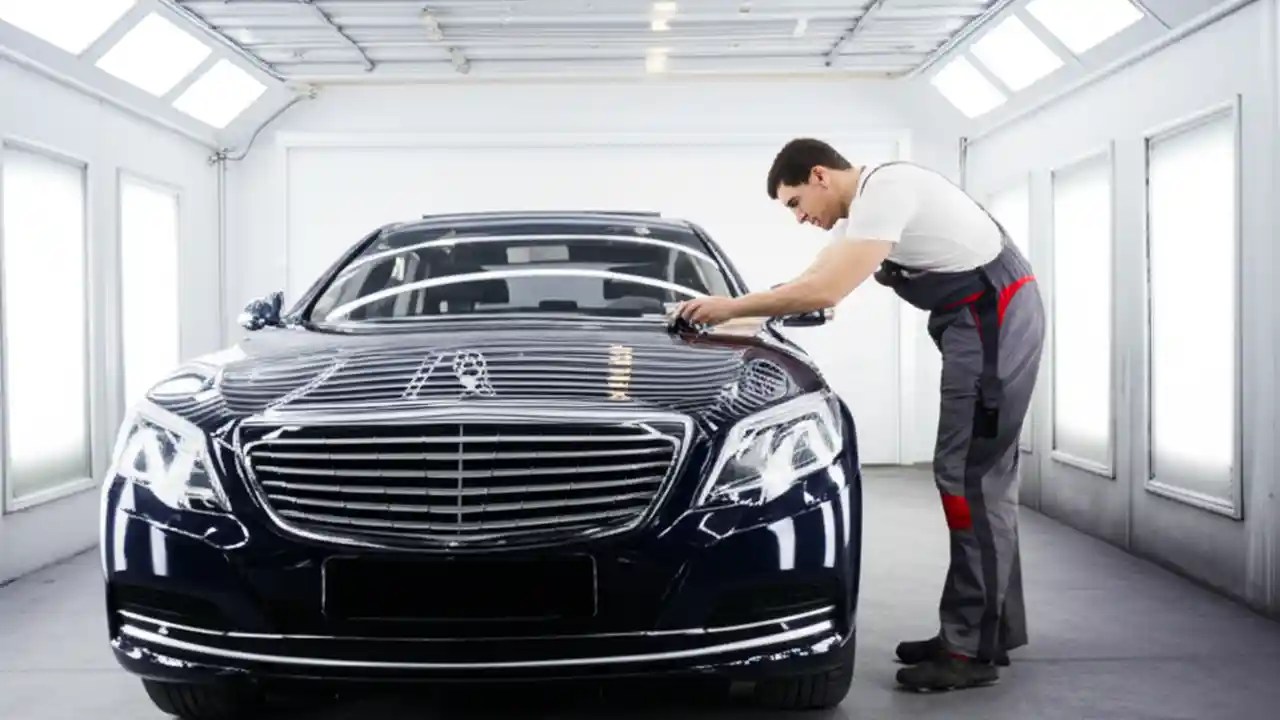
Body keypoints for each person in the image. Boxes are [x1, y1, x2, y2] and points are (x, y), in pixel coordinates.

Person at [673, 138, 1045, 692]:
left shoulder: (886, 191)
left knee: (967, 479)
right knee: (981, 478)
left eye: (796, 202)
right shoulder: (861, 211)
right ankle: (987, 632)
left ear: (819, 175)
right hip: (983, 320)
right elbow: (812, 285)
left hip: (993, 318)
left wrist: (731, 306)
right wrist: (750, 311)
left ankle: (968, 651)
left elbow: (824, 289)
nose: (801, 218)